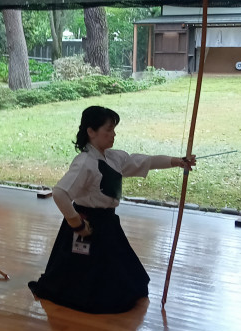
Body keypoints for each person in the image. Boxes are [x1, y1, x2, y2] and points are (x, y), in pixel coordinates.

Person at [28, 105, 195, 314]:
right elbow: (60, 193)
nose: (113, 134)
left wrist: (177, 162)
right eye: (108, 130)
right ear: (91, 131)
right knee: (86, 281)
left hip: (107, 222)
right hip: (86, 223)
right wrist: (76, 223)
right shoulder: (85, 163)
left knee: (127, 278)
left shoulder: (114, 158)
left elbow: (146, 161)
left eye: (114, 129)